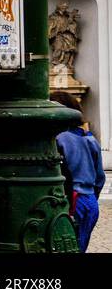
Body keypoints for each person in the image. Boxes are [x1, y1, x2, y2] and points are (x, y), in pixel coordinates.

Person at [54, 93, 105, 253]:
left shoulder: (59, 139)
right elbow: (100, 178)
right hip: (90, 200)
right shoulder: (90, 139)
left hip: (72, 200)